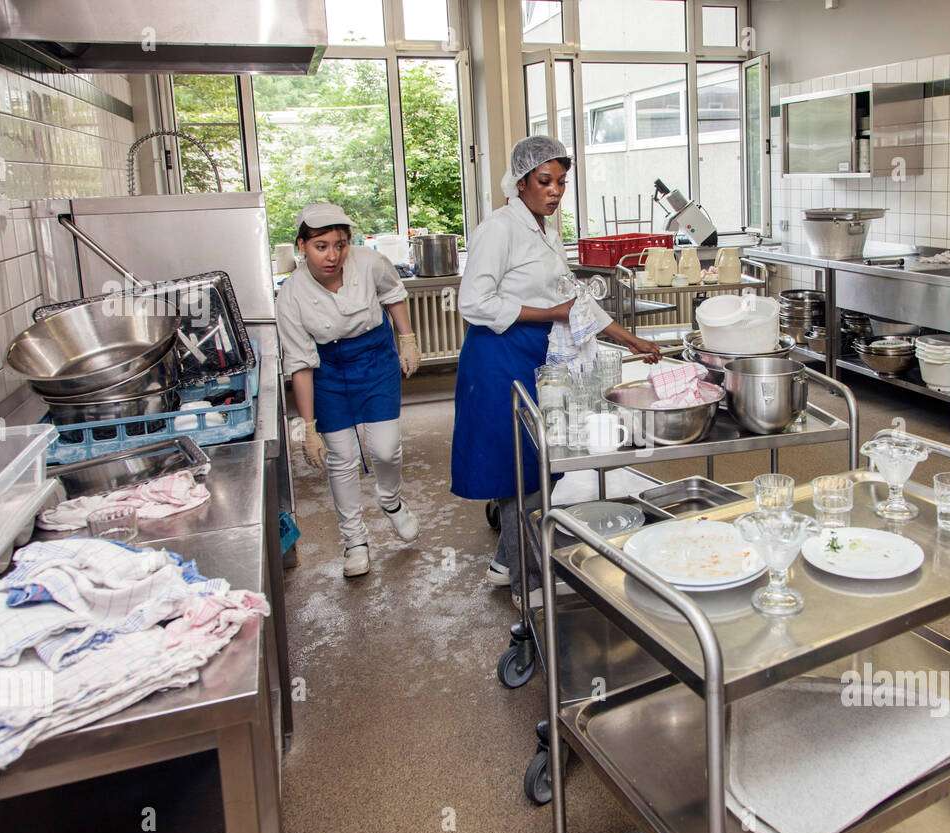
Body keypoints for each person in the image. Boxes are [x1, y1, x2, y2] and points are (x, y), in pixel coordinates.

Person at [453, 136, 662, 608]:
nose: (555, 191)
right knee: (517, 467)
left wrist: (629, 339)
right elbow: (474, 302)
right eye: (545, 181)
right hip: (497, 356)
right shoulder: (499, 229)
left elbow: (574, 299)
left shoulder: (546, 229)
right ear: (520, 181)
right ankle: (530, 588)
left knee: (541, 462)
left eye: (561, 183)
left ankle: (507, 559)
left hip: (535, 352)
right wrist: (551, 314)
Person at [277, 202, 422, 578]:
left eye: (340, 244)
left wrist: (407, 339)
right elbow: (299, 363)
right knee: (340, 458)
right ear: (301, 246)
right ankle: (354, 541)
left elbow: (393, 294)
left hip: (374, 360)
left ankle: (390, 501)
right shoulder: (291, 295)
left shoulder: (369, 263)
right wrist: (308, 426)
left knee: (385, 448)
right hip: (327, 372)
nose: (332, 255)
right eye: (320, 246)